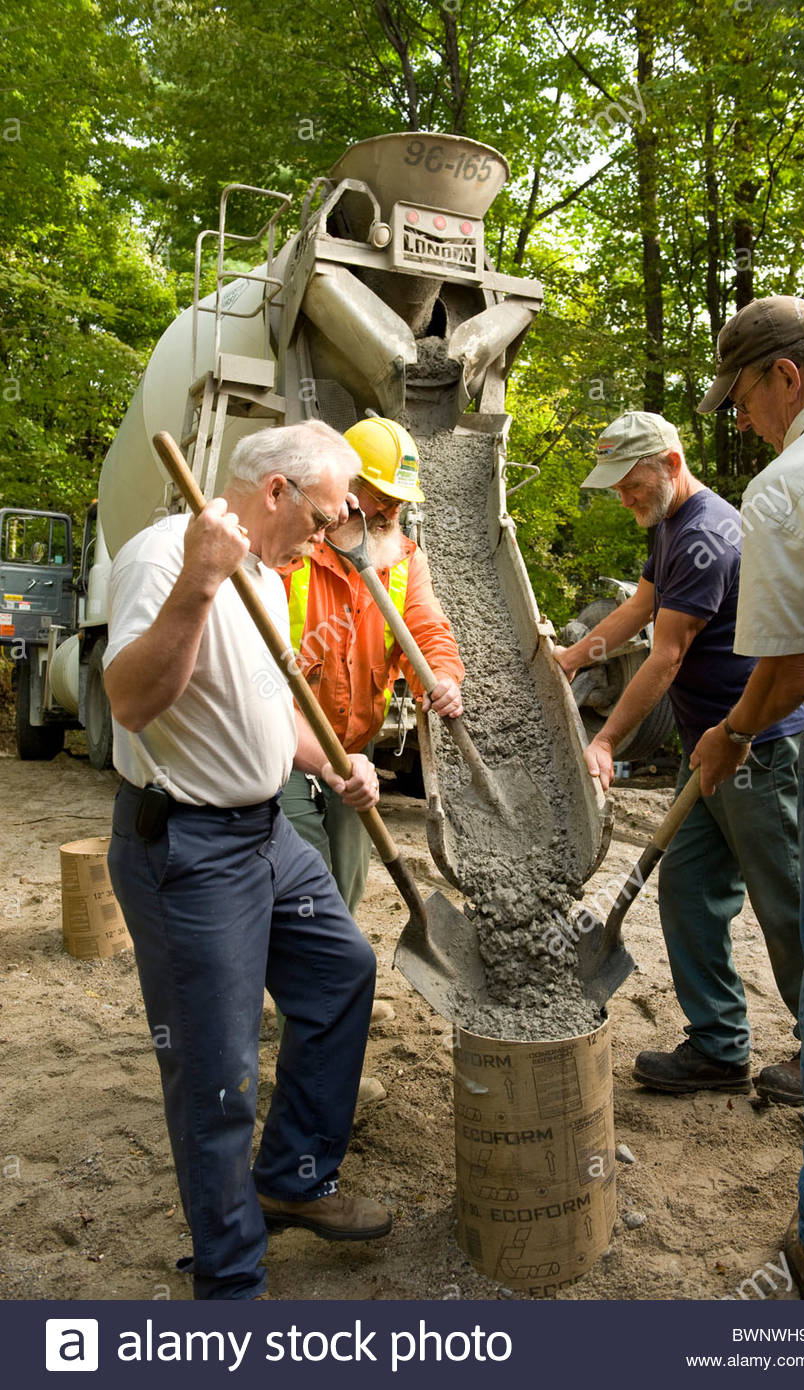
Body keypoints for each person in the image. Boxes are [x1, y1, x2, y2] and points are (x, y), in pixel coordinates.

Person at [105, 421, 392, 1301]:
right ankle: (229, 1286)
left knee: (343, 970)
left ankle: (293, 1178)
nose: (334, 529)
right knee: (217, 1072)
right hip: (188, 849)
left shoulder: (268, 574)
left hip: (267, 835)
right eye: (330, 512)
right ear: (277, 492)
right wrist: (198, 583)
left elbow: (269, 708)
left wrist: (335, 760)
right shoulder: (167, 560)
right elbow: (131, 700)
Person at [553, 411, 804, 1102]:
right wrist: (573, 658)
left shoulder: (705, 538)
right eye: (615, 487)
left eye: (631, 483)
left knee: (786, 901)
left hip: (758, 747)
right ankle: (719, 1045)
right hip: (708, 749)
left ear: (669, 463)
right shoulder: (666, 523)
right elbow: (640, 610)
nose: (623, 497)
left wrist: (604, 741)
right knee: (689, 892)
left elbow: (665, 657)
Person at [690, 295, 804, 1300]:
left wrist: (734, 731)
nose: (743, 421)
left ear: (787, 378)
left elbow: (791, 669)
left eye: (745, 399)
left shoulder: (791, 480)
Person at [278, 417, 463, 959]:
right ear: (344, 490)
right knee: (305, 882)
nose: (390, 513)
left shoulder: (403, 562)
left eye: (400, 502)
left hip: (354, 753)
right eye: (380, 497)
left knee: (347, 883)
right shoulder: (296, 553)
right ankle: (314, 1011)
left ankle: (327, 987)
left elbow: (427, 631)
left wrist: (443, 679)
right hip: (286, 750)